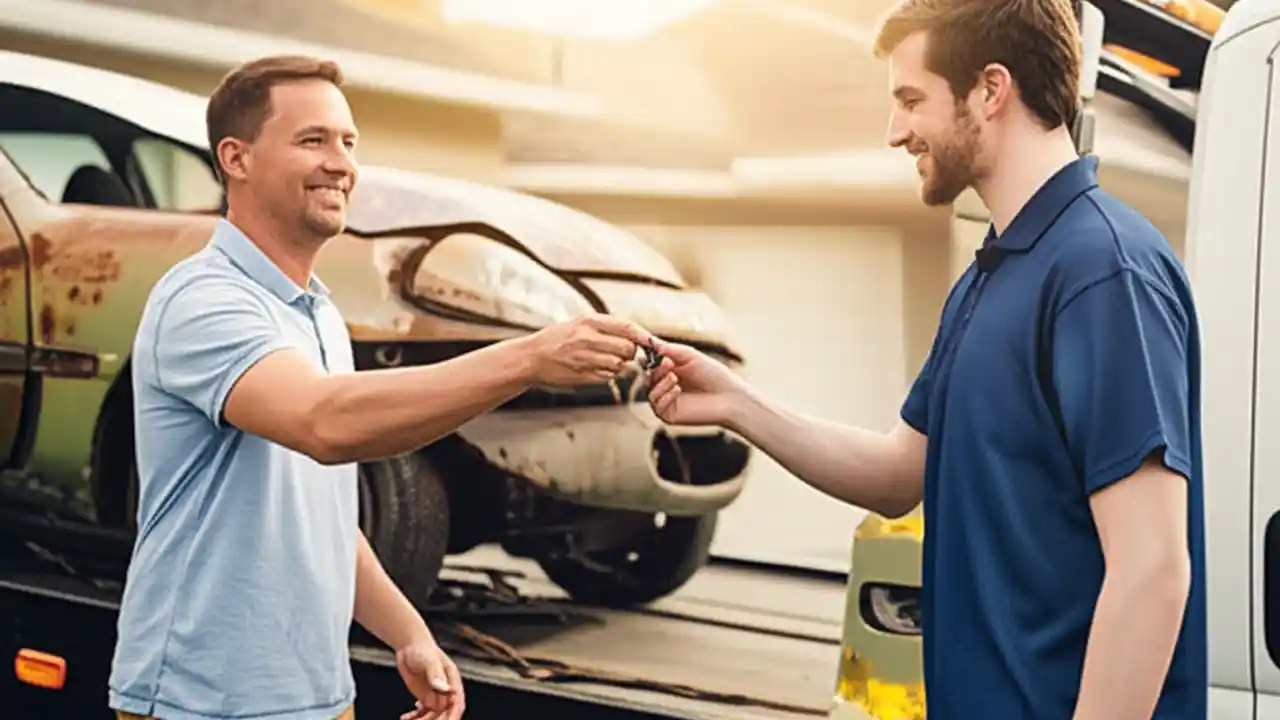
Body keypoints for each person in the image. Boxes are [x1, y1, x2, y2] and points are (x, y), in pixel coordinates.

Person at [645, 1, 1205, 718]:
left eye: (911, 99)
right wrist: (734, 403)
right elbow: (895, 474)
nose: (894, 131)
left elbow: (1153, 572)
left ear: (991, 90)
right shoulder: (991, 277)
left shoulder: (1104, 272)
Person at [107, 55, 654, 720]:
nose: (341, 162)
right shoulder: (203, 300)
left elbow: (325, 512)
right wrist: (528, 358)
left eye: (349, 142)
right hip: (199, 703)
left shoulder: (316, 313)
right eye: (313, 140)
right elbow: (327, 425)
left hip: (319, 700)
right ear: (237, 158)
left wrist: (407, 633)